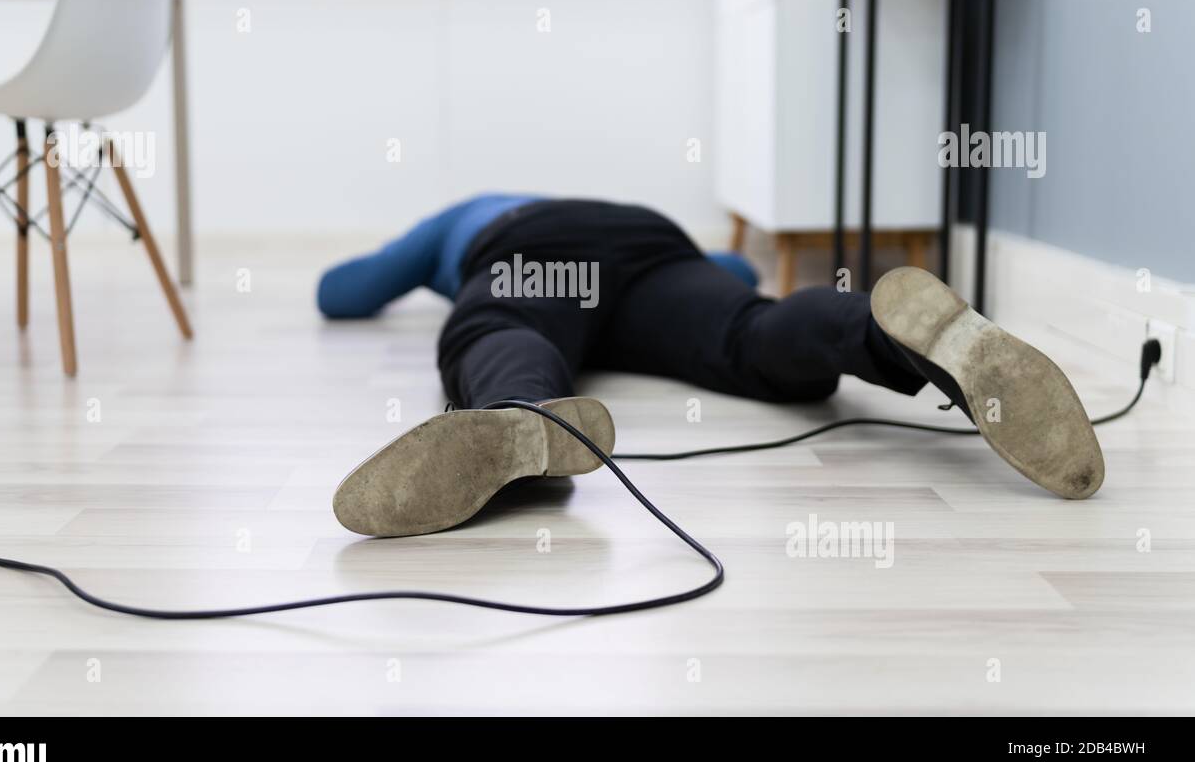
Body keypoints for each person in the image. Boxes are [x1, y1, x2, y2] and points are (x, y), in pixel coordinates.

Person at [319, 196, 1103, 537]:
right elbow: (729, 264)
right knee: (750, 331)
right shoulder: (616, 212)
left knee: (501, 320)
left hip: (533, 245)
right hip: (654, 246)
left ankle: (525, 415)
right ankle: (893, 334)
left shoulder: (466, 214)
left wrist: (437, 265)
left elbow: (343, 292)